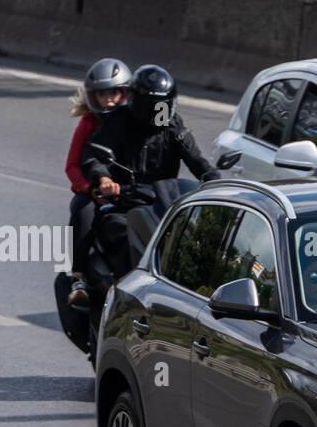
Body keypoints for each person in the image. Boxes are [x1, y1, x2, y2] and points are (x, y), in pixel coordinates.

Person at [82, 64, 214, 197]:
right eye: (153, 106)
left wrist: (217, 184)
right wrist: (104, 179)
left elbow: (196, 160)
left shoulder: (173, 126)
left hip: (162, 203)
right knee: (93, 215)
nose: (160, 111)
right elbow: (94, 155)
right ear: (135, 101)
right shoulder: (118, 120)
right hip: (122, 200)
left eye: (164, 105)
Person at [63, 58, 131, 307]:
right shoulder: (88, 124)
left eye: (113, 92)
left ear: (124, 93)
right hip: (94, 190)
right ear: (94, 97)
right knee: (82, 212)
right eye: (102, 94)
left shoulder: (134, 123)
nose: (108, 100)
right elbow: (72, 166)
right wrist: (89, 189)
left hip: (128, 190)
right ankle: (78, 279)